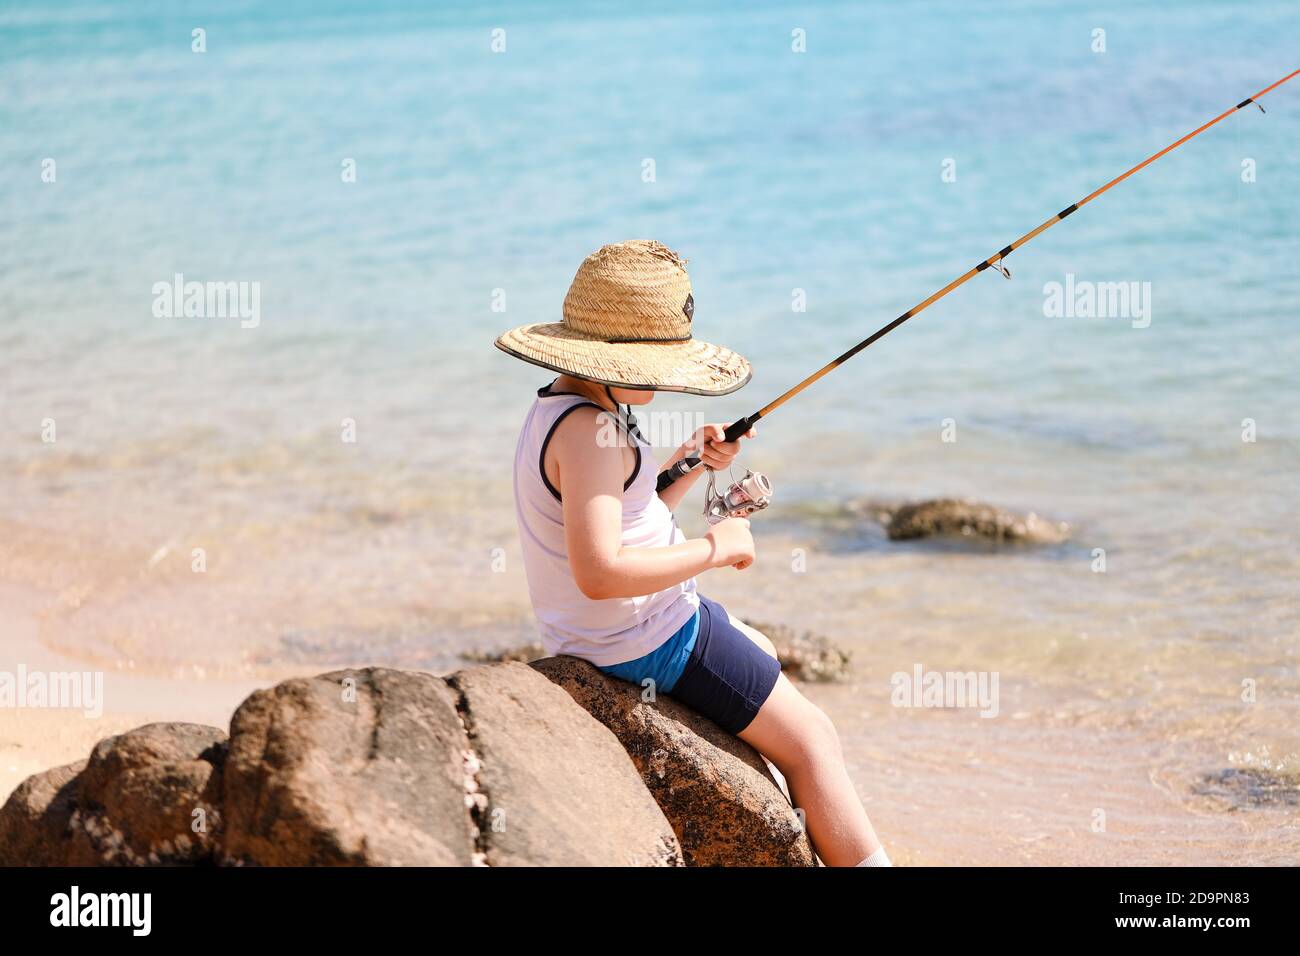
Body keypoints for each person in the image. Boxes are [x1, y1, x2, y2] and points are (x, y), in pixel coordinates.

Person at [495, 240, 889, 867]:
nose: (666, 374)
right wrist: (713, 547)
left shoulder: (570, 410)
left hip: (607, 631)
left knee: (760, 649)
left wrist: (686, 465)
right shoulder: (590, 434)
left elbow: (630, 514)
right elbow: (600, 573)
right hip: (644, 636)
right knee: (814, 740)